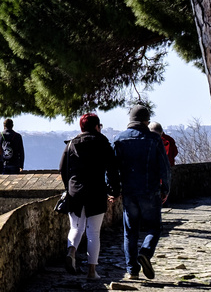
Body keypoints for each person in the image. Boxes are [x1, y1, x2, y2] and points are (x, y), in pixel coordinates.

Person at [114, 103, 172, 279]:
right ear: (147, 121)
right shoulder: (154, 139)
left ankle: (132, 271)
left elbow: (112, 168)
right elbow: (165, 167)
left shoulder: (119, 139)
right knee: (154, 227)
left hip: (129, 192)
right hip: (150, 191)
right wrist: (165, 189)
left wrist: (114, 189)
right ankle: (145, 253)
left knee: (130, 231)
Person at [59, 114, 119, 281]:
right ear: (96, 126)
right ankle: (92, 272)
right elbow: (112, 170)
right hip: (96, 192)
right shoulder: (104, 144)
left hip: (75, 192)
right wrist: (114, 190)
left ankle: (71, 252)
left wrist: (69, 187)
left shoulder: (71, 144)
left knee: (76, 228)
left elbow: (63, 168)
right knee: (93, 232)